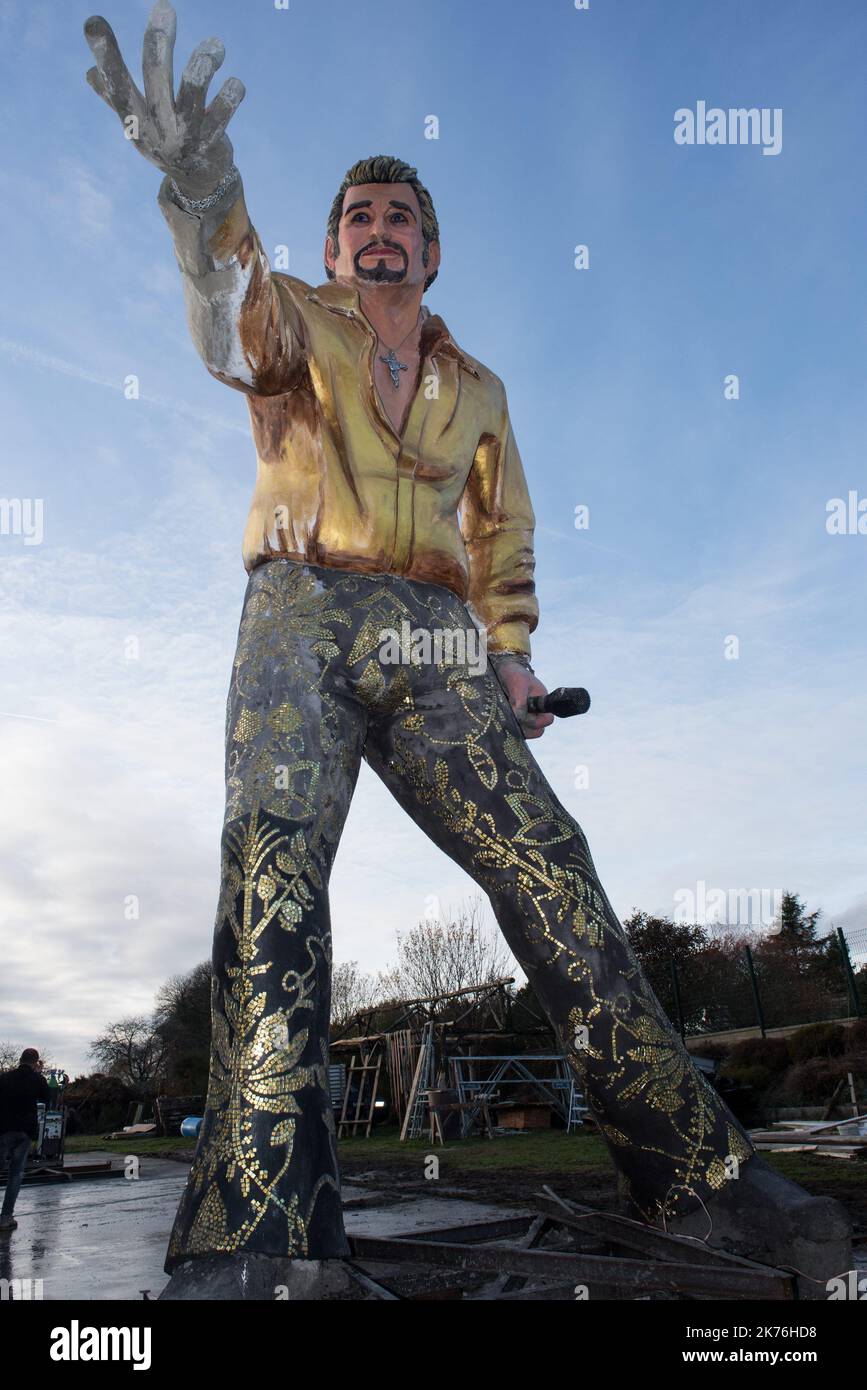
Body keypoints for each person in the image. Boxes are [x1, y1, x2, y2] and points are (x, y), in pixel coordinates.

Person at [83, 2, 851, 1299]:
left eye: (399, 218)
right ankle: (262, 1233)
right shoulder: (292, 326)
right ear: (332, 246)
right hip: (301, 616)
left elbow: (503, 532)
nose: (377, 230)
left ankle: (692, 1176)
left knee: (548, 867)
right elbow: (222, 319)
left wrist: (508, 656)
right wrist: (201, 178)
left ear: (429, 251)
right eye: (357, 216)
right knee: (274, 884)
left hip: (436, 640)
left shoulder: (478, 386)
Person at [0, 1049, 49, 1232]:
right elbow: (48, 1098)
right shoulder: (37, 1079)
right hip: (24, 1132)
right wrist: (39, 1075)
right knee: (15, 1175)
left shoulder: (4, 1078)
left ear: (20, 1060)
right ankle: (5, 1217)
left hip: (3, 1130)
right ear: (35, 1062)